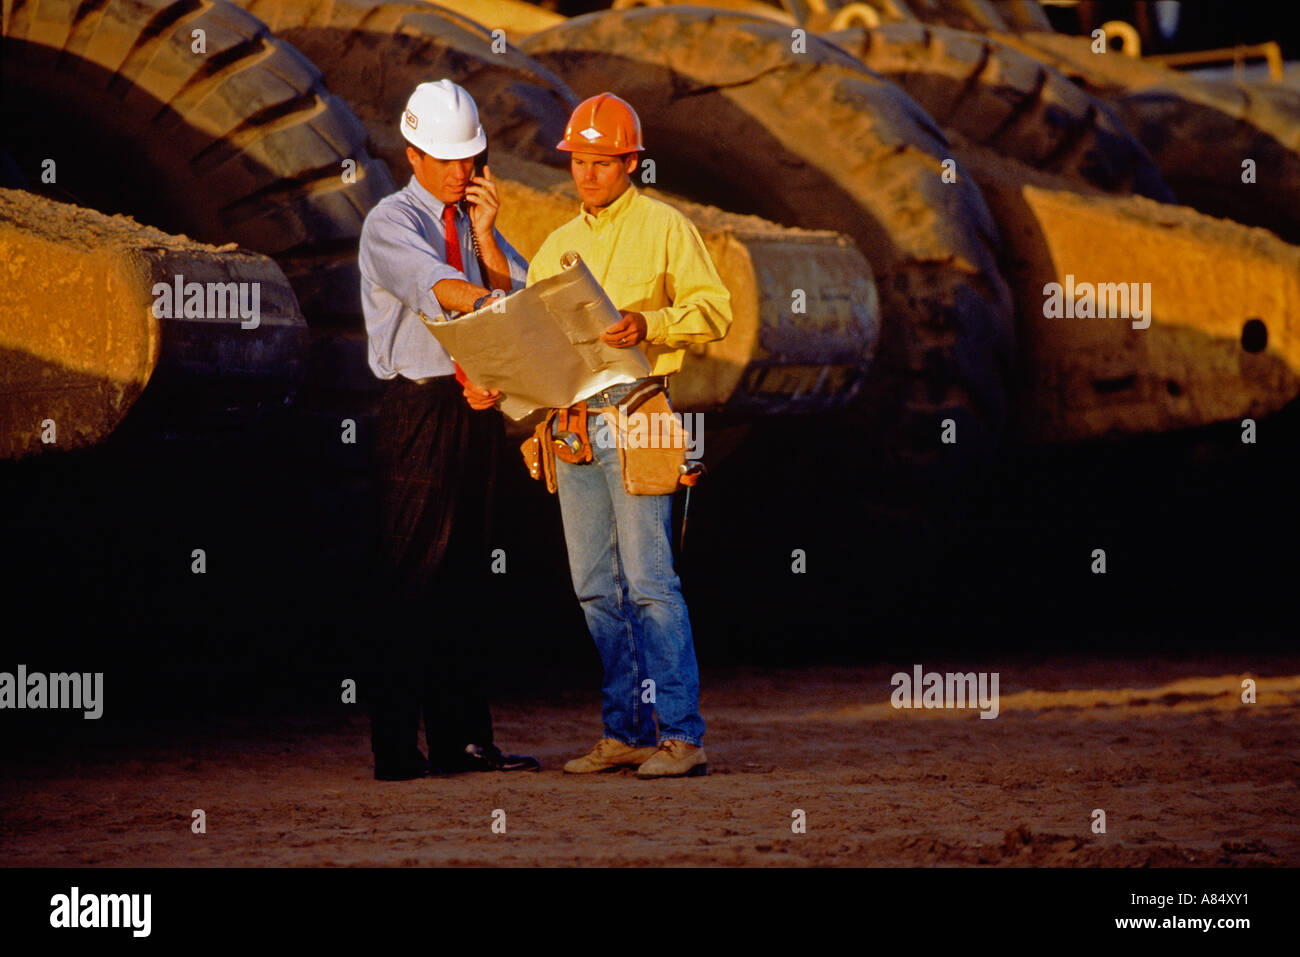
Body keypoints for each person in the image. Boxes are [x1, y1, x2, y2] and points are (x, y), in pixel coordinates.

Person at [525, 93, 732, 779]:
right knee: (593, 587)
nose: (586, 175)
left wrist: (650, 325)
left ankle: (681, 735)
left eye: (601, 163)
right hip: (573, 423)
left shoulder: (667, 228)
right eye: (579, 162)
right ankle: (624, 732)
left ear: (630, 162)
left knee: (649, 582)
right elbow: (533, 340)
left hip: (639, 412)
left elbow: (715, 310)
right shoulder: (556, 247)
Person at [357, 79, 538, 780]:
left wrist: (489, 237)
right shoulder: (390, 223)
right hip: (420, 406)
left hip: (476, 408)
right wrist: (494, 305)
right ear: (413, 154)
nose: (463, 171)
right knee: (412, 573)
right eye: (447, 159)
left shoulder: (473, 220)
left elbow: (515, 291)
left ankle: (464, 739)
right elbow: (439, 288)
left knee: (468, 575)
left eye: (471, 157)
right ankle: (398, 747)